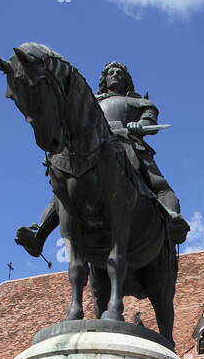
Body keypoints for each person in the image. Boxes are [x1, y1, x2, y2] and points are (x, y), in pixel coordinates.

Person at [15, 60, 189, 257]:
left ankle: (173, 220)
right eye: (111, 72)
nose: (114, 75)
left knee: (159, 184)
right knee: (64, 188)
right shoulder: (92, 102)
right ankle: (39, 235)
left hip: (129, 144)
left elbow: (150, 120)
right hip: (95, 150)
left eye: (119, 73)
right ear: (104, 79)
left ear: (126, 80)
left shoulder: (139, 102)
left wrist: (139, 125)